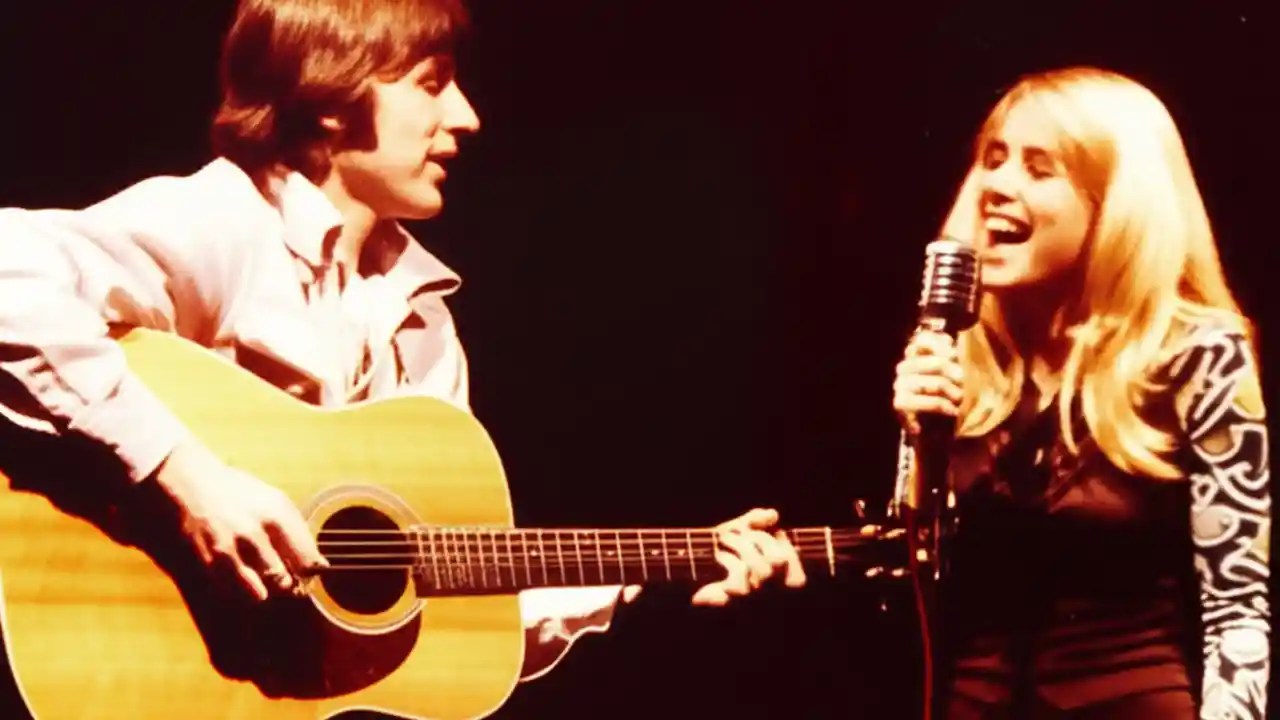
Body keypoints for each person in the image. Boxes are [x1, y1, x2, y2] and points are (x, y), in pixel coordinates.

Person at [0, 0, 806, 694]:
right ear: (330, 95)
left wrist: (648, 583)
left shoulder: (424, 326)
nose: (467, 117)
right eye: (431, 82)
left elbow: (444, 612)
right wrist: (190, 479)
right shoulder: (225, 225)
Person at [890, 66, 1270, 719]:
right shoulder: (955, 346)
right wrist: (922, 443)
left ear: (1115, 208)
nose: (996, 187)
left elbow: (1237, 608)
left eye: (1039, 169)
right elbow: (916, 579)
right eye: (993, 160)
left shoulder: (1201, 352)